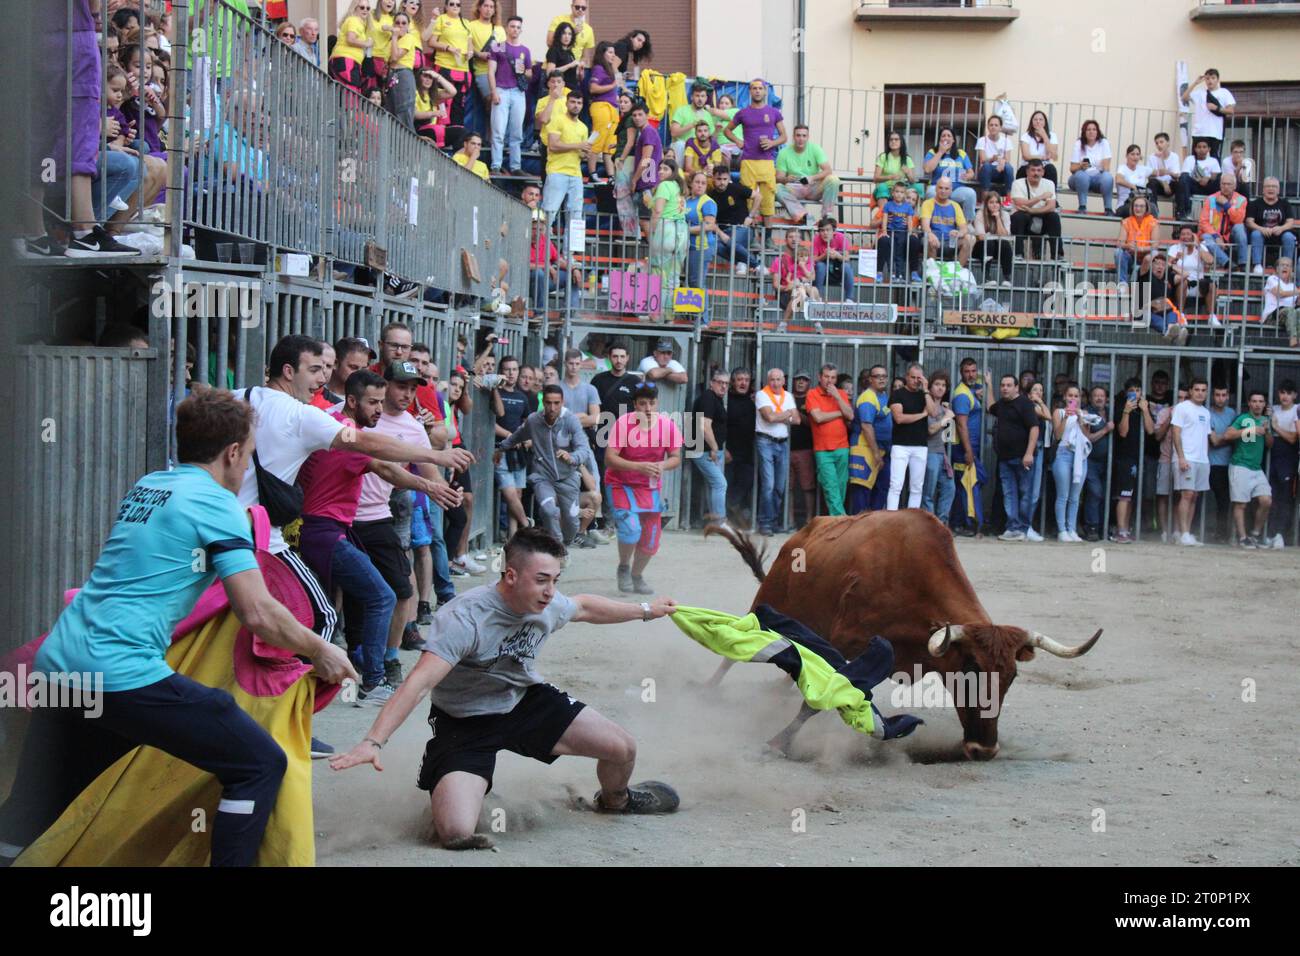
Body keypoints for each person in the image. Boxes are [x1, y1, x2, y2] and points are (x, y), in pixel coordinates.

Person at [0, 389, 357, 868]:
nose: (247, 465)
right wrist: (321, 651)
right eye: (249, 454)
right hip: (117, 673)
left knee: (40, 803)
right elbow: (257, 612)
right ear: (233, 453)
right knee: (259, 763)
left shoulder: (152, 484)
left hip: (61, 664)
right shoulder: (215, 504)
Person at [330, 528, 680, 849]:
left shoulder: (548, 603)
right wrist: (372, 741)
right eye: (542, 580)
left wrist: (646, 610)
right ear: (511, 575)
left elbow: (584, 607)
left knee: (622, 748)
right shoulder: (464, 618)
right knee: (455, 833)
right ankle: (467, 788)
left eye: (555, 580)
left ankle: (616, 801)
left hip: (524, 701)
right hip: (465, 721)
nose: (550, 592)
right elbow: (418, 683)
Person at [297, 369, 456, 701]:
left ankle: (358, 672)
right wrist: (431, 475)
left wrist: (430, 482)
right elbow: (384, 464)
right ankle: (371, 679)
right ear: (352, 401)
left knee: (337, 606)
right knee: (376, 597)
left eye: (381, 402)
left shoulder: (339, 427)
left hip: (329, 530)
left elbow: (383, 464)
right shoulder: (346, 434)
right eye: (373, 402)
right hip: (323, 532)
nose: (379, 410)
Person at [604, 383, 684, 594]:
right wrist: (638, 467)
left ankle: (637, 575)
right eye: (642, 404)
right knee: (631, 529)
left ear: (657, 403)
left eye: (652, 403)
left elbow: (676, 458)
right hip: (620, 483)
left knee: (651, 539)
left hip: (649, 488)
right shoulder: (623, 424)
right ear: (634, 405)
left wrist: (662, 465)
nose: (648, 408)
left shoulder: (667, 425)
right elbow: (610, 459)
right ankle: (623, 567)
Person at [495, 385, 590, 546]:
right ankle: (558, 548)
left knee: (571, 521)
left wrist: (571, 457)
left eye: (556, 403)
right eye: (548, 403)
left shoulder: (571, 420)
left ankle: (566, 541)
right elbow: (518, 435)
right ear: (543, 403)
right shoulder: (534, 420)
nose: (552, 408)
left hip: (568, 477)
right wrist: (501, 448)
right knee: (549, 511)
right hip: (542, 477)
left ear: (562, 402)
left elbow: (584, 449)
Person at [985, 374, 1040, 541]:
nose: (1005, 388)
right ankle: (1012, 528)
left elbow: (1034, 428)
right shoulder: (1001, 404)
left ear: (1016, 387)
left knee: (1025, 493)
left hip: (1022, 458)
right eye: (1002, 385)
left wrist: (1029, 453)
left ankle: (1023, 527)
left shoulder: (1025, 403)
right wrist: (989, 385)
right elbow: (991, 407)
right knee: (1009, 494)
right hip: (1005, 459)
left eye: (1009, 385)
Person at [726, 79, 787, 226]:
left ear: (765, 91)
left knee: (768, 200)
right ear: (750, 91)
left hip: (767, 161)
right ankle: (750, 238)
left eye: (760, 88)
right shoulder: (743, 113)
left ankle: (768, 239)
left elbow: (784, 136)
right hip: (748, 161)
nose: (757, 91)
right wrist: (738, 142)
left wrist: (772, 143)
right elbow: (727, 130)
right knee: (747, 200)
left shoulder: (774, 112)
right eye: (754, 88)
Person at [1224, 391, 1274, 549]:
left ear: (1264, 404)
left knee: (1266, 500)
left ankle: (1255, 535)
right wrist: (1251, 430)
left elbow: (1270, 444)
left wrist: (1265, 431)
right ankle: (1243, 538)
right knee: (1241, 504)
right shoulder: (1243, 418)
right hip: (1240, 465)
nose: (1258, 404)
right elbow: (1228, 434)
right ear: (1249, 403)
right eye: (1254, 401)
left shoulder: (1265, 420)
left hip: (1256, 467)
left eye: (1261, 401)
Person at [1109, 378, 1155, 543]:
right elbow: (1122, 432)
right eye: (1132, 390)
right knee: (1124, 496)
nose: (1135, 393)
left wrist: (1146, 410)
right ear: (1126, 391)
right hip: (1124, 458)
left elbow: (1150, 430)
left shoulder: (1144, 408)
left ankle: (1126, 529)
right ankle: (1120, 530)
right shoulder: (1121, 408)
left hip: (1138, 457)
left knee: (1132, 497)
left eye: (1138, 390)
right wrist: (1126, 412)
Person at [486, 14, 532, 175]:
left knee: (516, 132)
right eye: (512, 26)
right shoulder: (498, 47)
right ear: (507, 28)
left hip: (518, 92)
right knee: (498, 130)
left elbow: (529, 74)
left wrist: (524, 72)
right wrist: (493, 92)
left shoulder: (525, 50)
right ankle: (496, 165)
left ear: (521, 30)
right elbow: (490, 71)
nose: (515, 30)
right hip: (501, 90)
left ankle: (515, 166)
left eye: (518, 27)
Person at [804, 364, 853, 516]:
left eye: (833, 377)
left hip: (842, 447)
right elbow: (818, 417)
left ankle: (835, 520)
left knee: (841, 486)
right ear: (820, 377)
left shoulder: (841, 394)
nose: (829, 381)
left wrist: (838, 397)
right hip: (823, 450)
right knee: (831, 487)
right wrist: (839, 413)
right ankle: (841, 520)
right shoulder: (812, 394)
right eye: (826, 377)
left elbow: (850, 415)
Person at [754, 368, 798, 536]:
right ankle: (765, 523)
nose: (775, 382)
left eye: (779, 379)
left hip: (783, 442)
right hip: (765, 441)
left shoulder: (788, 396)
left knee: (779, 486)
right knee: (769, 485)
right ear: (768, 380)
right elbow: (769, 418)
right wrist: (787, 414)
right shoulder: (762, 395)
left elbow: (798, 420)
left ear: (784, 381)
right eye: (772, 379)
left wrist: (779, 415)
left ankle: (772, 521)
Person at [492, 355, 531, 537]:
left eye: (514, 369)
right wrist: (511, 437)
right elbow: (490, 423)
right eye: (507, 369)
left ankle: (513, 535)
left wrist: (525, 437)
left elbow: (526, 422)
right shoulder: (495, 393)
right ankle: (527, 527)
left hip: (519, 452)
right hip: (500, 449)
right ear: (501, 372)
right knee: (509, 493)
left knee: (517, 494)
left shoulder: (522, 397)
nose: (511, 373)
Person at [1170, 378, 1212, 547]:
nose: (1200, 393)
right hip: (1186, 458)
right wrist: (1181, 457)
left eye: (1203, 390)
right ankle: (1183, 533)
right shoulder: (1182, 408)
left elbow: (1206, 438)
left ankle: (1184, 533)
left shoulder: (1206, 412)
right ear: (1190, 391)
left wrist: (1205, 459)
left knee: (1194, 496)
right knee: (1186, 494)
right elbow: (1176, 433)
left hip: (1202, 459)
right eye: (1197, 389)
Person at [1050, 384, 1094, 543]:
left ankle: (1072, 529)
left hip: (1080, 457)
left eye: (1076, 396)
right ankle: (1062, 530)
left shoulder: (1085, 414)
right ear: (1064, 397)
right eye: (1070, 395)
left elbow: (1087, 435)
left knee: (1075, 497)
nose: (1073, 399)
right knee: (1063, 495)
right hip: (1063, 454)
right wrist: (1067, 417)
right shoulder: (1058, 412)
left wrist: (1080, 418)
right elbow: (1057, 435)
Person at [647, 157, 688, 322]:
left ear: (673, 172)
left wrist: (652, 231)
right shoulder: (679, 187)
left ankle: (656, 314)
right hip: (681, 233)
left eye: (665, 169)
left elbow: (658, 211)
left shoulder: (664, 186)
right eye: (660, 168)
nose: (661, 171)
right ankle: (670, 316)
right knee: (674, 276)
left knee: (658, 273)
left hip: (666, 229)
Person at [886, 364, 933, 511]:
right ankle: (891, 520)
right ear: (906, 376)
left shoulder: (924, 395)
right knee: (896, 485)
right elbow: (899, 418)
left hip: (920, 446)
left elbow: (932, 412)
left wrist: (926, 390)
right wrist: (922, 415)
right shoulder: (898, 394)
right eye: (912, 377)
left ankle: (912, 522)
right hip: (900, 445)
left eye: (919, 378)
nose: (915, 381)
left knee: (917, 487)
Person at [949, 359, 988, 536]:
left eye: (973, 371)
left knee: (967, 484)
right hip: (964, 449)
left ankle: (960, 523)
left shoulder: (971, 391)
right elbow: (961, 425)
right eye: (967, 371)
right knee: (968, 485)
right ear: (961, 373)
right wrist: (968, 450)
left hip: (971, 447)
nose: (971, 374)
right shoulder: (962, 395)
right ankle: (967, 524)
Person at [848, 365, 892, 514]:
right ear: (870, 380)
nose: (881, 379)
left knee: (881, 488)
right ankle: (859, 530)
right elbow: (867, 427)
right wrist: (876, 454)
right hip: (864, 449)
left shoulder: (883, 395)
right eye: (877, 376)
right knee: (862, 490)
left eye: (884, 376)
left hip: (881, 450)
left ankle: (874, 529)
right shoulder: (868, 397)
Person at [775, 125, 840, 225]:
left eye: (804, 136)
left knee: (834, 179)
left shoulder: (815, 148)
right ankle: (803, 217)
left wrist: (812, 177)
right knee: (776, 188)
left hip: (814, 186)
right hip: (794, 187)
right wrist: (786, 179)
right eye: (798, 135)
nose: (801, 139)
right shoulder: (784, 153)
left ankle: (826, 216)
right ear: (793, 137)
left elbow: (828, 170)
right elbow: (779, 177)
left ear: (808, 137)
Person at [542, 91, 590, 221]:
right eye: (573, 102)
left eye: (579, 103)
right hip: (557, 171)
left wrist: (585, 153)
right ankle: (541, 241)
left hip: (576, 174)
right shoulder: (557, 120)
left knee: (576, 217)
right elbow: (553, 145)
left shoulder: (583, 128)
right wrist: (578, 145)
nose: (576, 105)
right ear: (566, 103)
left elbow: (580, 154)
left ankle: (571, 242)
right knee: (549, 212)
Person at [708, 162, 762, 274]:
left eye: (724, 179)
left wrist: (751, 216)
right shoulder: (711, 196)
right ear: (713, 178)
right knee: (713, 244)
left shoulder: (736, 188)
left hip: (742, 228)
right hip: (723, 232)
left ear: (729, 178)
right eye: (719, 179)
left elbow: (758, 196)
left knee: (731, 243)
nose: (722, 182)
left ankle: (755, 264)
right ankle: (743, 262)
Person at [692, 368, 730, 526]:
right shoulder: (708, 397)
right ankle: (720, 522)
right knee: (720, 484)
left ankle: (715, 522)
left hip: (709, 450)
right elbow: (704, 425)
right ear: (711, 383)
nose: (723, 386)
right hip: (704, 450)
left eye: (726, 384)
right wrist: (714, 448)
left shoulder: (716, 398)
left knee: (714, 485)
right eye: (720, 383)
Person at [684, 170, 721, 326]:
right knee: (691, 281)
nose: (700, 185)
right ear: (691, 184)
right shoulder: (686, 200)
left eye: (703, 183)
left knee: (698, 282)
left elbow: (709, 225)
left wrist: (685, 230)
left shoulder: (708, 202)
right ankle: (694, 316)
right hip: (687, 246)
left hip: (701, 246)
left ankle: (703, 320)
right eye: (697, 182)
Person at [1167, 224, 1221, 328]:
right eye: (1183, 234)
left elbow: (1210, 261)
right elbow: (1169, 265)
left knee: (1212, 285)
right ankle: (1181, 315)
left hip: (1198, 283)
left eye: (1188, 234)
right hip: (1181, 283)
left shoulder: (1200, 248)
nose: (1185, 237)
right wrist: (1176, 259)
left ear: (1193, 235)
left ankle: (1212, 316)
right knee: (1184, 282)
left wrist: (1197, 245)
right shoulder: (1175, 248)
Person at [1203, 384, 1238, 544]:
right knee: (1201, 499)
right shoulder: (1207, 413)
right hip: (1210, 463)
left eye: (1224, 395)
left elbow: (1244, 437)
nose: (1221, 398)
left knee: (1225, 501)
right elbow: (1214, 442)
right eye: (1217, 395)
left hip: (1229, 464)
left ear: (1228, 396)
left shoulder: (1232, 413)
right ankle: (1200, 531)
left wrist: (1229, 436)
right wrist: (1230, 436)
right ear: (1212, 396)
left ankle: (1222, 534)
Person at [1266, 381, 1298, 548]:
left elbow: (1293, 438)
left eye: (1289, 393)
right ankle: (1270, 534)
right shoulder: (1274, 409)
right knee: (1271, 496)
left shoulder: (1297, 410)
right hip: (1273, 456)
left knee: (1285, 497)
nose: (1285, 396)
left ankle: (1281, 534)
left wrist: (1276, 426)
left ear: (1295, 395)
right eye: (1282, 392)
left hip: (1288, 456)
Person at [1081, 386, 1115, 542]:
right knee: (1095, 492)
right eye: (1096, 396)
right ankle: (1092, 527)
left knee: (1105, 494)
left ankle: (1104, 528)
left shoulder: (1111, 412)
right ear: (1091, 398)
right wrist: (1105, 430)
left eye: (1102, 395)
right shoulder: (1087, 413)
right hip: (1091, 460)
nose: (1099, 398)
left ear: (1107, 398)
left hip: (1108, 461)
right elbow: (1087, 437)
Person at [1009, 159, 1061, 261]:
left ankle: (1057, 255)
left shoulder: (1049, 184)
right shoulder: (1017, 183)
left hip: (1041, 216)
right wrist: (1040, 197)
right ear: (1027, 172)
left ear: (1043, 172)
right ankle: (1018, 254)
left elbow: (1051, 207)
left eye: (1039, 170)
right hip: (1024, 221)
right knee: (1019, 216)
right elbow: (1020, 203)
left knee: (1054, 217)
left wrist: (1032, 210)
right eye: (1033, 170)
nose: (1036, 173)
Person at [922, 370, 956, 525]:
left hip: (941, 454)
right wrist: (946, 419)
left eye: (943, 385)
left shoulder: (945, 408)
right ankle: (929, 527)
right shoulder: (927, 406)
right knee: (928, 493)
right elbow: (929, 430)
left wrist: (948, 417)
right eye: (937, 384)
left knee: (949, 488)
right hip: (929, 453)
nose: (941, 388)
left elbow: (949, 437)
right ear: (930, 387)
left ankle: (941, 524)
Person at [922, 125, 976, 222]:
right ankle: (931, 222)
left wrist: (968, 176)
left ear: (953, 140)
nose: (946, 138)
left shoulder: (961, 153)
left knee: (970, 194)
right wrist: (940, 152)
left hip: (956, 189)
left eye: (949, 135)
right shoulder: (932, 152)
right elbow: (927, 169)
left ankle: (967, 223)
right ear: (939, 139)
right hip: (938, 188)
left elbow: (971, 172)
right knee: (930, 193)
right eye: (943, 136)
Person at [725, 368, 757, 525]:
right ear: (733, 382)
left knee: (747, 480)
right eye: (739, 379)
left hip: (747, 454)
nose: (743, 383)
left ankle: (732, 508)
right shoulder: (725, 400)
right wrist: (723, 449)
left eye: (746, 379)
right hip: (728, 453)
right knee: (726, 484)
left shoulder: (753, 402)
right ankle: (725, 519)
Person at [1246, 177, 1297, 276]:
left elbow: (1290, 222)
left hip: (1280, 234)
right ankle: (1257, 265)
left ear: (1278, 190)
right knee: (1256, 234)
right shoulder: (1255, 203)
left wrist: (1281, 228)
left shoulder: (1284, 204)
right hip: (1262, 234)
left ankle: (1287, 266)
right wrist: (1262, 229)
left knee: (1289, 237)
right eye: (1268, 186)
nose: (1271, 189)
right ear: (1263, 189)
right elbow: (1249, 222)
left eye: (1274, 186)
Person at [1181, 67, 1236, 160]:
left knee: (1215, 159)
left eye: (1213, 78)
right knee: (1196, 160)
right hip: (1199, 132)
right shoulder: (1199, 93)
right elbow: (1184, 97)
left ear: (1217, 79)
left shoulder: (1224, 92)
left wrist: (1217, 108)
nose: (1210, 81)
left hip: (1215, 132)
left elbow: (1231, 110)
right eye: (1207, 78)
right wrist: (1195, 83)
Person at [1198, 172, 1248, 271]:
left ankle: (1243, 264)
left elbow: (1238, 220)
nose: (1225, 186)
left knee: (1239, 227)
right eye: (1223, 184)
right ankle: (1227, 263)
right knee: (1206, 238)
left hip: (1230, 235)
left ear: (1234, 186)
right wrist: (1216, 237)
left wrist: (1226, 205)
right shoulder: (1211, 199)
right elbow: (1203, 222)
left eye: (1228, 184)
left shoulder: (1241, 200)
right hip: (1212, 234)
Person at [874, 181, 923, 282]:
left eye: (913, 200)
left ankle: (903, 274)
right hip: (890, 233)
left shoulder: (910, 210)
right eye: (897, 191)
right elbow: (880, 220)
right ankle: (883, 273)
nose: (910, 201)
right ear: (893, 193)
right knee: (887, 243)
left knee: (905, 247)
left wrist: (911, 233)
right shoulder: (888, 205)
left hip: (903, 235)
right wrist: (884, 230)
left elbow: (910, 222)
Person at [586, 41, 621, 182]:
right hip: (601, 107)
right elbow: (593, 88)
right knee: (597, 140)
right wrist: (612, 85)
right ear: (603, 53)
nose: (613, 55)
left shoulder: (609, 69)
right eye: (610, 52)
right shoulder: (599, 68)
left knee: (609, 144)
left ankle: (611, 175)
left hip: (612, 108)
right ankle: (592, 172)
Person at [921, 178, 973, 266]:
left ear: (951, 190)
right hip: (934, 239)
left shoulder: (955, 205)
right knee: (929, 239)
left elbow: (964, 228)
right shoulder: (927, 203)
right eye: (940, 188)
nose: (943, 191)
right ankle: (932, 273)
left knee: (970, 238)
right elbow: (925, 226)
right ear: (936, 189)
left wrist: (958, 233)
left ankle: (956, 272)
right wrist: (930, 234)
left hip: (950, 241)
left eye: (946, 188)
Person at [1068, 119, 1114, 215]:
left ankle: (1108, 209)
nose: (1091, 132)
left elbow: (1106, 168)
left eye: (1094, 129)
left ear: (1098, 132)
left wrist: (1097, 165)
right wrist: (1081, 166)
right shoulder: (1079, 143)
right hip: (1080, 179)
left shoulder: (1104, 142)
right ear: (1084, 132)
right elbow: (1072, 168)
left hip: (1097, 179)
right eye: (1088, 130)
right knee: (1081, 175)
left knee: (1108, 177)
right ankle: (1082, 206)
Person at [670, 82, 719, 165]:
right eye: (697, 96)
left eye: (702, 96)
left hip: (699, 149)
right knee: (680, 145)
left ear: (706, 98)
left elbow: (711, 138)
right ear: (692, 97)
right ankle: (678, 174)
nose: (700, 99)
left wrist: (717, 130)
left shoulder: (707, 115)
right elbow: (673, 133)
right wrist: (691, 125)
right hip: (683, 146)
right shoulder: (682, 110)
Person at [972, 189, 1013, 288]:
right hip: (981, 247)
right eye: (991, 202)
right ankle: (986, 277)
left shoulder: (1005, 215)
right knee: (989, 243)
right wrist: (994, 236)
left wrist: (998, 218)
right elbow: (981, 236)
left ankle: (1007, 277)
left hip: (997, 247)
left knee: (1005, 244)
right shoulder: (980, 214)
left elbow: (1005, 236)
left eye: (997, 202)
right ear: (986, 204)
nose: (994, 205)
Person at [1174, 139, 1222, 222]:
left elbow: (1216, 175)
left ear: (1209, 149)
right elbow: (1185, 175)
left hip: (1208, 187)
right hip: (1194, 186)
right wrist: (1199, 180)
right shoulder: (1190, 159)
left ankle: (1219, 213)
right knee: (1183, 178)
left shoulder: (1213, 161)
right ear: (1195, 149)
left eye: (1204, 147)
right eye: (1199, 147)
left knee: (1220, 179)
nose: (1202, 149)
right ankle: (1183, 212)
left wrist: (1208, 178)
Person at [812, 216, 855, 302]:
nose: (825, 233)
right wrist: (824, 255)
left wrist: (837, 255)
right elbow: (813, 259)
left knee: (846, 267)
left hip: (838, 270)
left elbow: (847, 258)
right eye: (822, 230)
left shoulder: (841, 237)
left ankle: (849, 299)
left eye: (828, 230)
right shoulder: (816, 239)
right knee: (820, 265)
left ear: (834, 231)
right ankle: (818, 297)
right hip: (823, 272)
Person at [1116, 195, 1158, 282]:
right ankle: (1123, 283)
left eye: (1141, 206)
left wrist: (1141, 249)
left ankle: (1143, 286)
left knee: (1154, 253)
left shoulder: (1154, 222)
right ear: (1132, 207)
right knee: (1118, 252)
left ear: (1146, 208)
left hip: (1146, 256)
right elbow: (1119, 243)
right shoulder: (1126, 221)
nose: (1138, 208)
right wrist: (1128, 245)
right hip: (1131, 256)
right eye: (1136, 206)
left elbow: (1155, 245)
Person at [874, 129, 923, 203]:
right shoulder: (883, 157)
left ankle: (915, 213)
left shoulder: (907, 159)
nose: (893, 141)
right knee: (882, 187)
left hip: (901, 190)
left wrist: (908, 173)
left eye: (896, 139)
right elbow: (875, 178)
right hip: (887, 189)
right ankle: (883, 213)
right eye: (891, 140)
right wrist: (890, 177)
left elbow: (912, 181)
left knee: (918, 187)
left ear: (901, 142)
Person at [975, 114, 1015, 199]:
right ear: (988, 127)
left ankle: (1008, 200)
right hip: (986, 171)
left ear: (1000, 128)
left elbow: (1007, 159)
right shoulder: (982, 140)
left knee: (1009, 167)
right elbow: (982, 160)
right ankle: (985, 200)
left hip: (1001, 171)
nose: (993, 127)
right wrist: (993, 159)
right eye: (991, 125)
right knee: (986, 166)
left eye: (996, 125)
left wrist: (1001, 164)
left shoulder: (1006, 141)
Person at [1263, 257, 1300, 347]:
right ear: (1276, 269)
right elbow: (1280, 293)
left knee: (1296, 311)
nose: (1285, 267)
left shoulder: (1293, 286)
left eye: (1288, 265)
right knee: (1290, 310)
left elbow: (1297, 304)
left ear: (1291, 270)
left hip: (1288, 318)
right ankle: (1294, 339)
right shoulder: (1272, 279)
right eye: (1282, 265)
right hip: (1271, 317)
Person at [1017, 110, 1059, 184]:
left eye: (1041, 119)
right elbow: (1026, 156)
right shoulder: (1026, 136)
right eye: (1035, 119)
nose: (1038, 122)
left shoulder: (1052, 136)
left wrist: (1045, 136)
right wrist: (1042, 157)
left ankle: (1052, 195)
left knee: (1051, 169)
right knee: (1022, 171)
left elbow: (1054, 157)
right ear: (1032, 122)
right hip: (1028, 164)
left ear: (1045, 122)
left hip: (1044, 166)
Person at [1114, 143, 1155, 218]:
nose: (1135, 157)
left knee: (1153, 207)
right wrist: (1133, 186)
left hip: (1141, 205)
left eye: (1137, 154)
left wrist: (1165, 181)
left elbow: (1159, 172)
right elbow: (1118, 180)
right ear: (1127, 156)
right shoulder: (1122, 168)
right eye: (1132, 154)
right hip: (1124, 205)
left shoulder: (1143, 169)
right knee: (1138, 208)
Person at [1146, 132, 1181, 207]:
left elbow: (1176, 176)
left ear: (1168, 143)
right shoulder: (1152, 157)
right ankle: (1153, 211)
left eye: (1161, 142)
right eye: (1157, 143)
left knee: (1180, 184)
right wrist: (1163, 182)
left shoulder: (1174, 156)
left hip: (1171, 185)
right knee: (1151, 183)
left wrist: (1168, 173)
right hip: (1158, 186)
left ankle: (1180, 212)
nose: (1159, 145)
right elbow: (1149, 176)